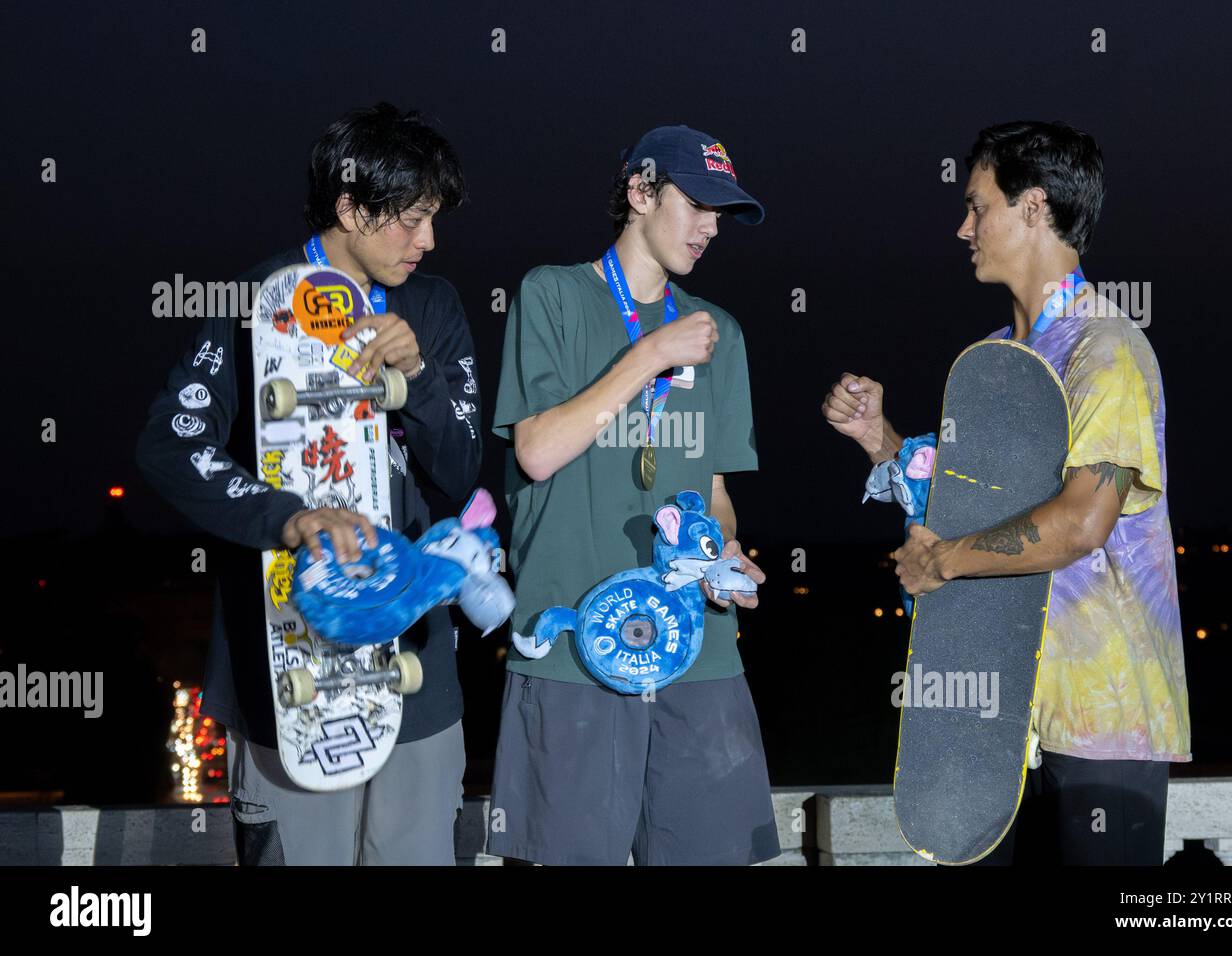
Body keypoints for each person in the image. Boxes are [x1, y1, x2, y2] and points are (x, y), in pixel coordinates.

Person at [823, 120, 1190, 865]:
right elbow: (968, 505)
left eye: (977, 206)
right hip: (1000, 720)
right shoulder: (1001, 357)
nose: (963, 228)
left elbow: (1082, 523)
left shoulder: (1106, 350)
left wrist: (945, 562)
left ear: (1033, 207)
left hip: (1101, 727)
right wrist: (882, 440)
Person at [136, 102, 483, 865]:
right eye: (411, 219)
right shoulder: (260, 301)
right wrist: (286, 518)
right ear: (351, 207)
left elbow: (461, 472)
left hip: (417, 671)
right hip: (286, 670)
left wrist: (417, 376)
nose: (428, 241)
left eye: (433, 220)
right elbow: (170, 443)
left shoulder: (434, 305)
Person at [488, 125, 780, 865]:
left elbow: (712, 491)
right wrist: (649, 353)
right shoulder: (550, 294)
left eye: (725, 213)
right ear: (640, 191)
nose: (713, 227)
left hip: (696, 650)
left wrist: (726, 552)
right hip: (574, 650)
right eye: (699, 204)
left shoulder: (721, 335)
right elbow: (538, 450)